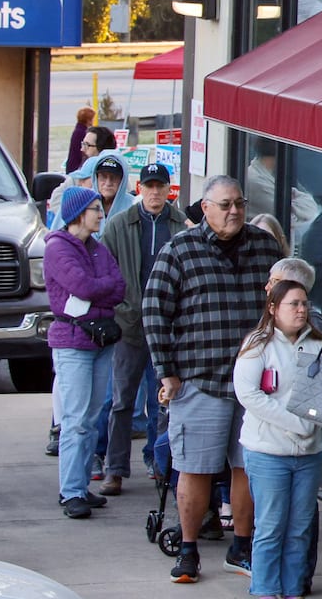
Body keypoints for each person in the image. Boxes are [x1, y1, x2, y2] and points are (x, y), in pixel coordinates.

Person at [143, 175, 279, 584]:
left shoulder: (264, 247)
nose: (234, 211)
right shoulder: (179, 251)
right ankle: (188, 550)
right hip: (200, 379)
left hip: (255, 382)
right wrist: (167, 372)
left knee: (247, 468)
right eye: (224, 204)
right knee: (194, 468)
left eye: (239, 203)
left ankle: (241, 547)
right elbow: (154, 312)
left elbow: (281, 306)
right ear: (205, 207)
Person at [97, 163, 187, 496]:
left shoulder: (181, 225)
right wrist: (120, 307)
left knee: (163, 401)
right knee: (121, 402)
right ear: (139, 188)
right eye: (148, 186)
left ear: (168, 189)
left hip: (167, 329)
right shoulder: (119, 224)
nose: (154, 192)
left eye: (160, 186)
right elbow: (104, 270)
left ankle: (159, 462)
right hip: (128, 328)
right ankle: (115, 468)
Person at [233, 279, 322, 599]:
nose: (301, 310)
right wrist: (296, 423)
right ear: (273, 309)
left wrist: (314, 424)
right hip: (268, 451)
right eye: (293, 304)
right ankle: (264, 590)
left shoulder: (318, 343)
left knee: (299, 528)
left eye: (304, 304)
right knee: (271, 526)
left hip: (309, 453)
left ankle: (292, 589)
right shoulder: (257, 344)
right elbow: (249, 394)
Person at [43, 185, 126, 519]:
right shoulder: (58, 249)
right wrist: (97, 292)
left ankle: (79, 486)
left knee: (92, 419)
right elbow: (83, 287)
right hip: (72, 341)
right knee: (75, 420)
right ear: (78, 213)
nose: (100, 213)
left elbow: (118, 286)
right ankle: (71, 492)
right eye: (95, 209)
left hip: (101, 339)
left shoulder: (97, 247)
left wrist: (95, 294)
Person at [66, 106, 96, 173]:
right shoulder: (83, 133)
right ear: (88, 120)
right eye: (92, 118)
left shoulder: (78, 130)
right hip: (77, 167)